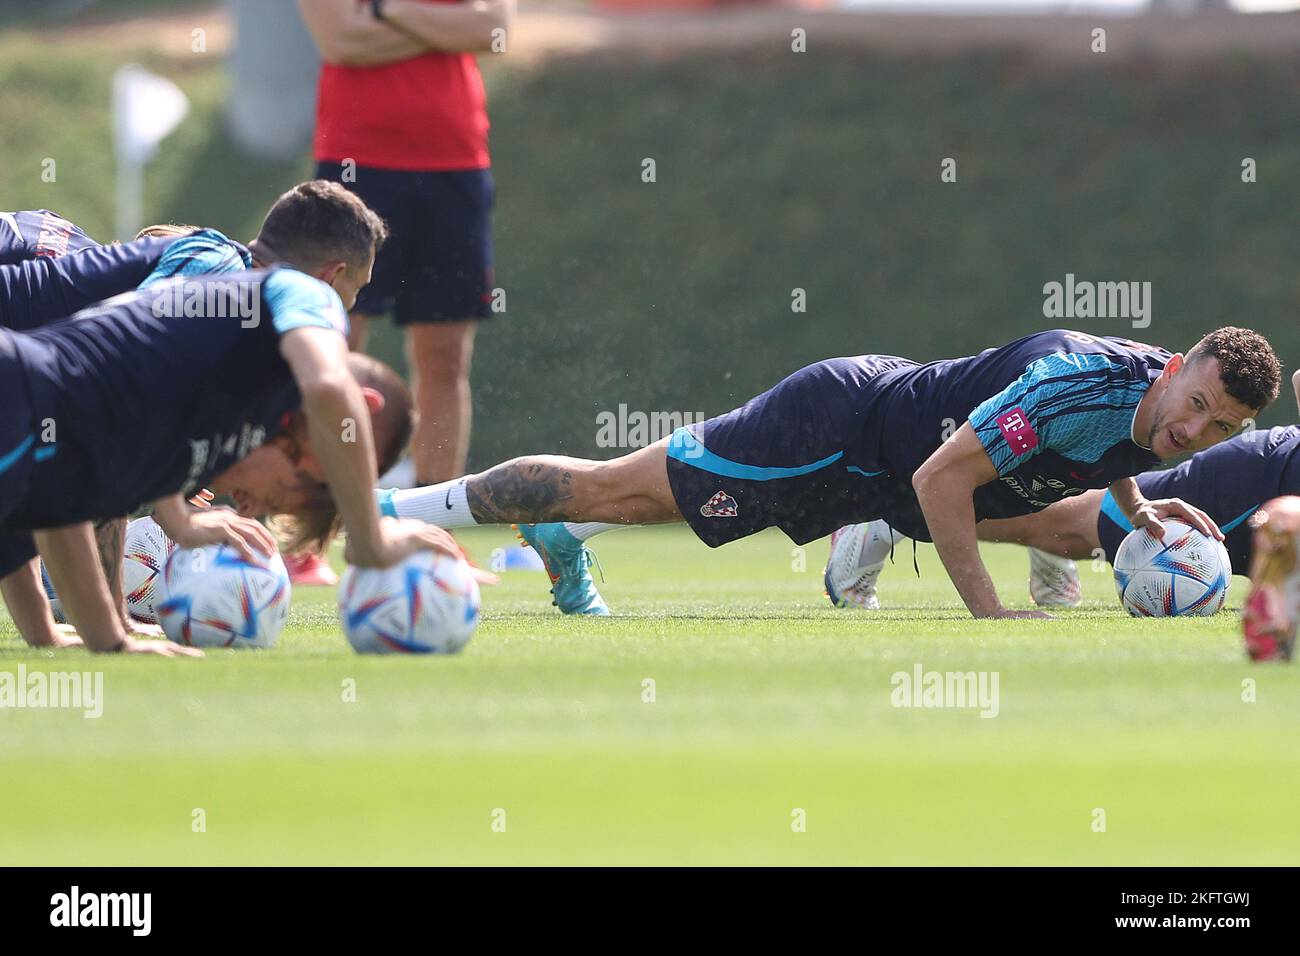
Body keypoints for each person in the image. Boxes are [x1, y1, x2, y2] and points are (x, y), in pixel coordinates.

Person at [373, 328, 1281, 619]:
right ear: (1173, 370)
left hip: (878, 468)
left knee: (1057, 515)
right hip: (838, 427)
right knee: (620, 484)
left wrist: (1144, 513)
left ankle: (564, 537)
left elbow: (1124, 450)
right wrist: (990, 614)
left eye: (1222, 428)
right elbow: (940, 481)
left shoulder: (1160, 411)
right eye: (1196, 405)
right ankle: (394, 504)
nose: (1197, 432)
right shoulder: (1070, 385)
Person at [0, 262, 456, 653]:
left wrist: (86, 639)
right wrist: (370, 541)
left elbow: (56, 501)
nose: (250, 509)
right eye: (289, 491)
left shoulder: (177, 433)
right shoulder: (296, 298)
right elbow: (325, 388)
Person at [0, 181, 385, 587]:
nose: (349, 308)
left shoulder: (216, 281)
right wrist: (174, 515)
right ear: (331, 276)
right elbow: (128, 373)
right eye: (355, 292)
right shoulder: (225, 272)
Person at [826, 369, 1300, 610]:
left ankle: (1043, 517)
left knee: (1079, 525)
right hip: (1266, 481)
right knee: (1076, 524)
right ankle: (892, 521)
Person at [299, 0, 514, 489]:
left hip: (456, 166)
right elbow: (343, 42)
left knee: (445, 357)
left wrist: (387, 10)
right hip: (355, 164)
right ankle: (311, 523)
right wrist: (446, 29)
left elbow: (496, 30)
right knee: (332, 345)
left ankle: (435, 525)